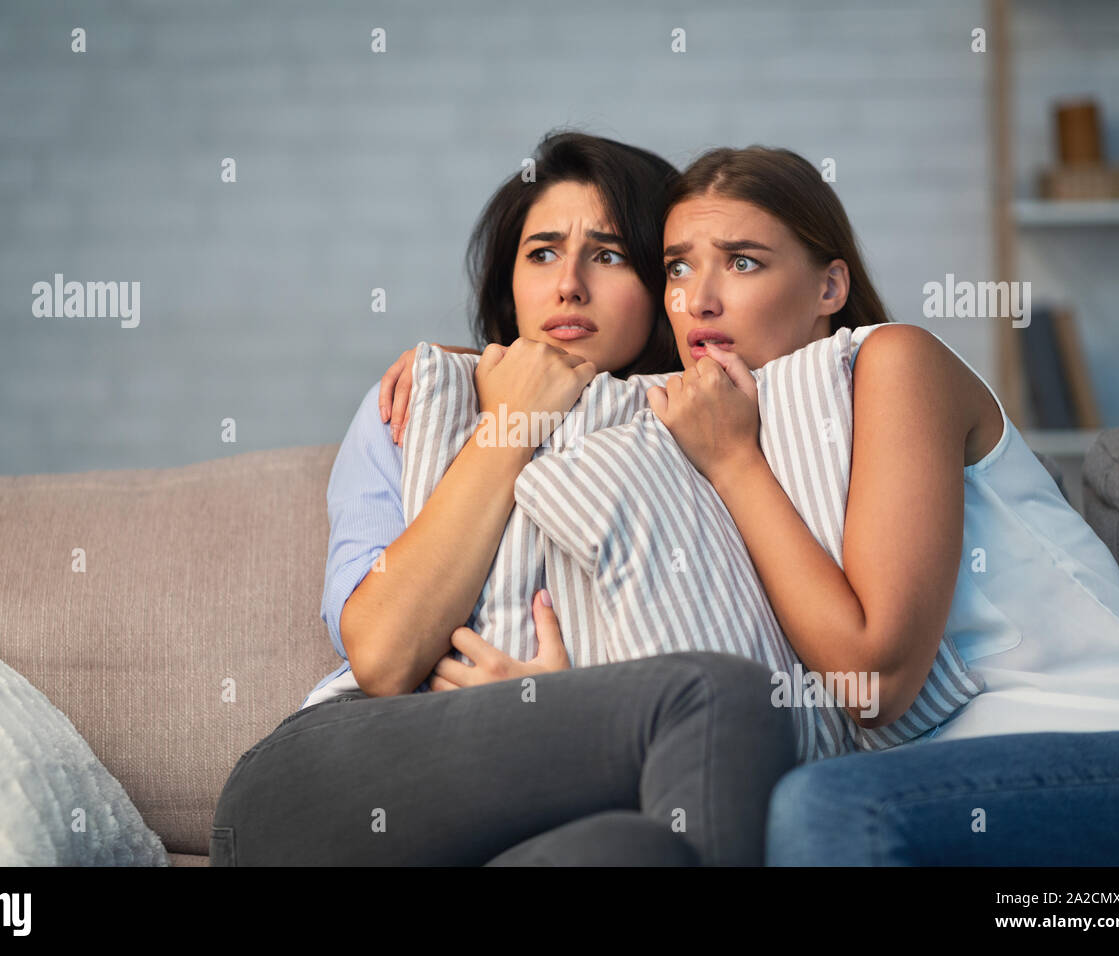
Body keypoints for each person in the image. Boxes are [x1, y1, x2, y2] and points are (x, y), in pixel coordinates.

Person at [382, 145, 1119, 866]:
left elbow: (873, 681)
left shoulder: (895, 365)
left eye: (744, 263)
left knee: (815, 808)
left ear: (829, 285)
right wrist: (462, 366)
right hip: (941, 785)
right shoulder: (718, 419)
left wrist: (735, 463)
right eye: (679, 269)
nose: (701, 299)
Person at [209, 131, 797, 867]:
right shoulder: (413, 408)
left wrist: (561, 705)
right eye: (542, 253)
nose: (568, 285)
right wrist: (508, 425)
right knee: (719, 698)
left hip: (567, 808)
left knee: (635, 852)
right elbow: (385, 657)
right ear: (508, 285)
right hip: (328, 786)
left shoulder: (722, 427)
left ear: (667, 289)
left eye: (609, 255)